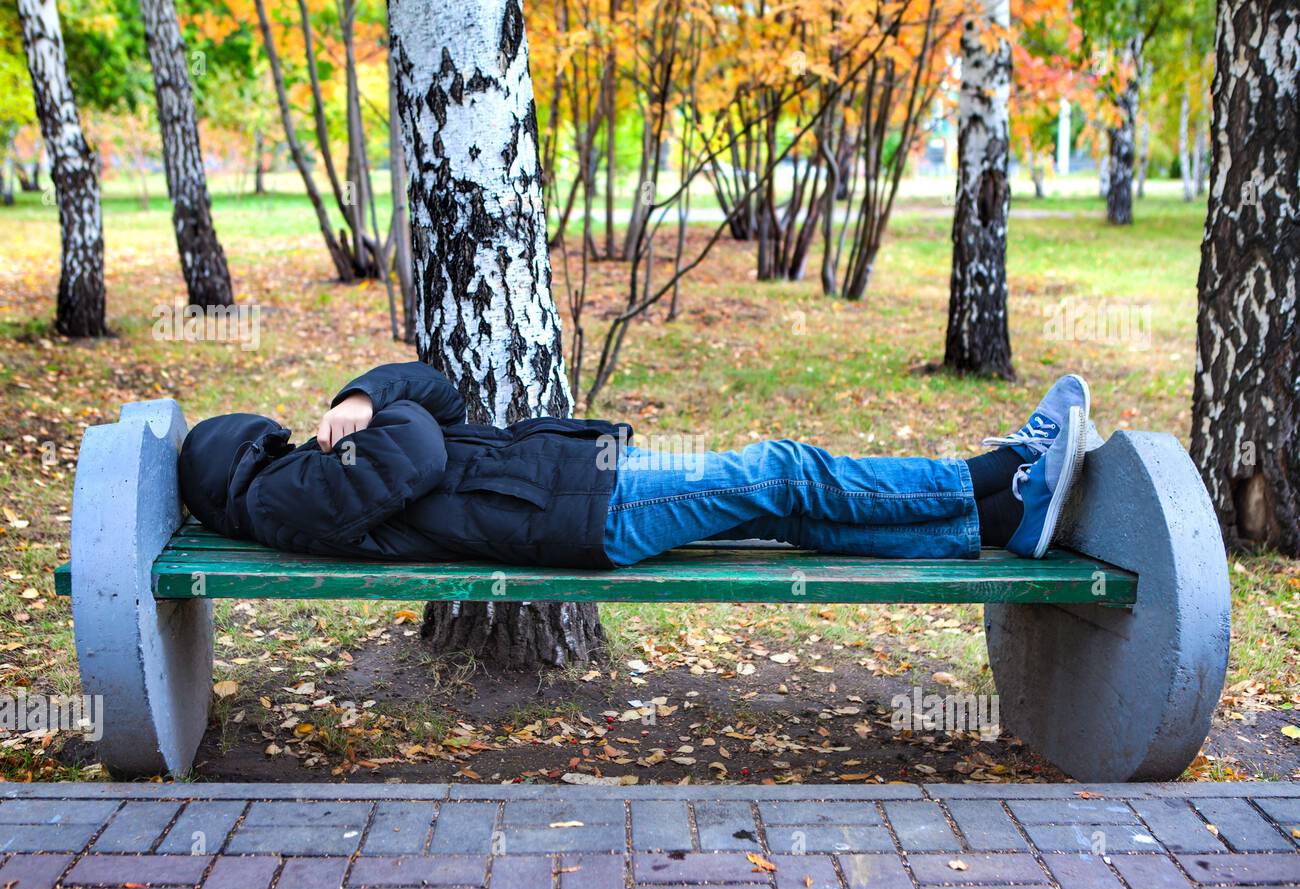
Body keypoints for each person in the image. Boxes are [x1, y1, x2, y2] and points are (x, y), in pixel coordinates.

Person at [178, 363, 1091, 569]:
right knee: (773, 470)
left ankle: (992, 520)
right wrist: (388, 418)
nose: (299, 434)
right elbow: (420, 449)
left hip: (583, 472)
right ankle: (994, 470)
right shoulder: (282, 499)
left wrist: (365, 396)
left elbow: (438, 394)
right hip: (578, 510)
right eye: (274, 435)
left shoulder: (298, 473)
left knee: (765, 504)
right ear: (242, 459)